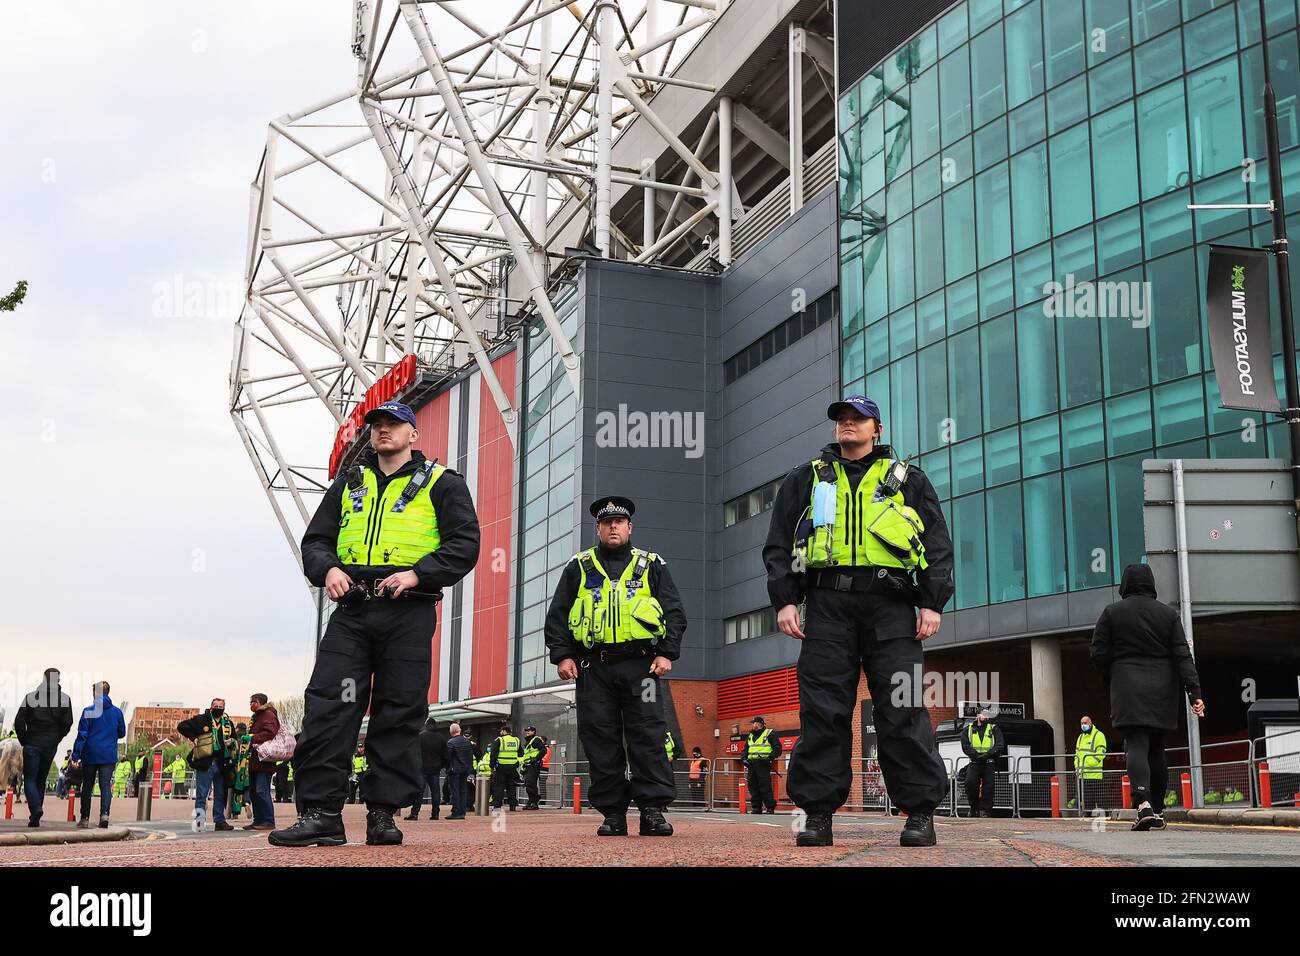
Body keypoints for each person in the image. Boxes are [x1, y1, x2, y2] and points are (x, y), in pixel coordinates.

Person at [271, 401, 480, 849]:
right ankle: (323, 814)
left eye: (393, 424)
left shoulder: (443, 484)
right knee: (329, 706)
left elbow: (465, 544)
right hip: (351, 609)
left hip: (407, 609)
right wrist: (327, 570)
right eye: (377, 425)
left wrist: (417, 573)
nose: (383, 430)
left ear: (413, 434)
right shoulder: (349, 482)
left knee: (399, 710)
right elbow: (317, 541)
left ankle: (383, 815)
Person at [764, 395, 954, 848]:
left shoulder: (909, 480)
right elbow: (778, 545)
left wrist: (932, 603)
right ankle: (818, 815)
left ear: (877, 430)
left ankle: (920, 813)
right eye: (842, 420)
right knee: (823, 710)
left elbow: (937, 545)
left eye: (858, 419)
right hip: (826, 604)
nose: (848, 425)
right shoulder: (805, 479)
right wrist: (785, 601)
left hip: (891, 606)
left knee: (902, 710)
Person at [545, 495, 687, 837]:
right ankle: (613, 814)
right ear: (598, 529)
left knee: (649, 735)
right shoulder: (579, 566)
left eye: (619, 522)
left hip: (643, 667)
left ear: (629, 527)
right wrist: (563, 655)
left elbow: (674, 612)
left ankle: (653, 810)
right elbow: (558, 617)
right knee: (600, 738)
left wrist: (667, 653)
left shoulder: (651, 564)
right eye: (607, 523)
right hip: (594, 667)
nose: (613, 527)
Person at [1091, 563, 1205, 832]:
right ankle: (1159, 809)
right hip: (1163, 688)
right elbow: (1182, 655)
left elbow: (1097, 650)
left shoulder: (1112, 613)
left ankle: (1142, 803)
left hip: (1127, 685)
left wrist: (1110, 676)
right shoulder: (1167, 615)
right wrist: (1194, 693)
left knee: (1136, 743)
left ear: (1125, 584)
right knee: (1157, 748)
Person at [13, 667, 73, 828]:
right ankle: (35, 816)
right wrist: (57, 738)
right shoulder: (64, 699)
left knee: (30, 779)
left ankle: (36, 809)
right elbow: (68, 723)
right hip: (50, 744)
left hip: (32, 742)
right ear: (58, 680)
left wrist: (24, 739)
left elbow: (19, 721)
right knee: (41, 779)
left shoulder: (31, 697)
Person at [70, 681, 126, 829]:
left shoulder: (88, 711)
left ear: (96, 693)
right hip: (108, 754)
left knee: (87, 786)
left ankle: (85, 818)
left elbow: (82, 735)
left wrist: (75, 756)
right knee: (105, 785)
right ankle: (105, 815)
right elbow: (122, 733)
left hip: (90, 754)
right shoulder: (117, 712)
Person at [177, 698, 237, 832]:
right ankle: (199, 821)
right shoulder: (201, 719)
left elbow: (235, 739)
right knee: (202, 794)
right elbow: (181, 726)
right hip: (206, 762)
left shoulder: (228, 723)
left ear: (224, 708)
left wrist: (232, 741)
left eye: (221, 706)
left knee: (220, 794)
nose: (218, 708)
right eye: (215, 706)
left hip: (222, 762)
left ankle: (220, 821)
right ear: (211, 707)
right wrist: (194, 737)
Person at [960, 706, 1004, 818]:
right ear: (978, 715)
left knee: (988, 787)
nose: (985, 716)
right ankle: (974, 807)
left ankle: (985, 810)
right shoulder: (968, 729)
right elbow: (965, 746)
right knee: (970, 784)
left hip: (989, 762)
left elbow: (999, 745)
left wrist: (987, 755)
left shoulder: (994, 729)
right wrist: (975, 755)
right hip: (974, 762)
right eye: (983, 714)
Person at [246, 694, 280, 831]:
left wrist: (252, 738)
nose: (251, 705)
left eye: (252, 702)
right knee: (254, 791)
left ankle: (268, 820)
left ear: (259, 702)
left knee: (261, 790)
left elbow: (271, 732)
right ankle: (259, 820)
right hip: (256, 761)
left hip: (264, 761)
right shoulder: (259, 716)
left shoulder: (268, 714)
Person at [407, 718, 448, 820]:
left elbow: (414, 752)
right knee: (436, 792)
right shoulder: (441, 738)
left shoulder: (420, 736)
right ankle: (435, 814)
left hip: (422, 768)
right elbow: (446, 756)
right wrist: (441, 765)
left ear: (426, 724)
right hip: (435, 769)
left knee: (419, 792)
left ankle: (415, 813)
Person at [743, 716, 783, 814]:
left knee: (765, 786)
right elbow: (745, 749)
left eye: (754, 723)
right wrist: (743, 759)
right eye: (753, 723)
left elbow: (778, 749)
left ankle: (769, 807)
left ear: (759, 724)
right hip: (751, 765)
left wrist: (769, 758)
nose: (753, 725)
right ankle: (756, 807)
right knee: (753, 786)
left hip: (763, 764)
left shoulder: (770, 734)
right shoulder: (750, 736)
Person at [1075, 715, 1108, 813]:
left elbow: (1101, 754)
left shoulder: (1099, 735)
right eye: (1081, 723)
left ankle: (1105, 817)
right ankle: (1088, 818)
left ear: (1091, 723)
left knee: (1100, 800)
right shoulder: (1080, 737)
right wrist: (1077, 766)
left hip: (1095, 775)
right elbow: (1077, 754)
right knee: (1087, 802)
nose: (1083, 725)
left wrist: (1086, 764)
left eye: (1085, 723)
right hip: (1082, 776)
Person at [489, 725, 521, 811]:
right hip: (513, 767)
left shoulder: (499, 740)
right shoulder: (516, 740)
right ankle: (513, 806)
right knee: (511, 786)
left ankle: (497, 806)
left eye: (501, 731)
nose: (500, 733)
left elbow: (493, 754)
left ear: (503, 731)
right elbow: (521, 753)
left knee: (499, 786)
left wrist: (491, 766)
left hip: (501, 767)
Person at [445, 723, 473, 820]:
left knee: (455, 791)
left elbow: (448, 758)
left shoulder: (450, 743)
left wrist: (447, 768)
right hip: (465, 770)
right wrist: (469, 770)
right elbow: (470, 757)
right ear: (460, 730)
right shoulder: (467, 742)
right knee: (463, 791)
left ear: (450, 731)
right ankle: (462, 812)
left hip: (454, 770)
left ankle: (456, 812)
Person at [519, 726, 548, 810]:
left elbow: (543, 750)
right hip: (528, 766)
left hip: (533, 765)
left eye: (529, 731)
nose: (527, 732)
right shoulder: (528, 742)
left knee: (531, 784)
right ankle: (531, 800)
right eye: (527, 730)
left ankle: (534, 802)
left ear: (533, 732)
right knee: (528, 784)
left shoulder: (536, 740)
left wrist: (536, 759)